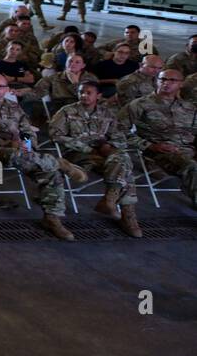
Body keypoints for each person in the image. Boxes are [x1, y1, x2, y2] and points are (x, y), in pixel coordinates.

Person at [0, 73, 83, 241]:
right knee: (19, 155)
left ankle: (52, 218)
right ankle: (57, 162)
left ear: (6, 89)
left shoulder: (13, 107)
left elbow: (26, 130)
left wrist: (26, 147)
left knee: (50, 173)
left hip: (20, 152)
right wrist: (8, 144)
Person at [49, 81, 142, 237]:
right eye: (81, 92)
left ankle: (111, 201)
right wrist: (87, 148)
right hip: (77, 153)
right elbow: (56, 135)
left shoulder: (107, 113)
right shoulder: (67, 111)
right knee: (125, 170)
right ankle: (124, 213)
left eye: (88, 92)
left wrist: (108, 144)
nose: (84, 95)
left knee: (122, 160)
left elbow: (119, 136)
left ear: (98, 95)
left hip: (102, 155)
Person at [124, 69, 197, 209]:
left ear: (181, 84)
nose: (166, 83)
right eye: (162, 79)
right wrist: (149, 145)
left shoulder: (189, 107)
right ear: (156, 81)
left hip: (189, 150)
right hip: (160, 152)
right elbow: (118, 130)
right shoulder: (140, 104)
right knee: (192, 167)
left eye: (172, 80)